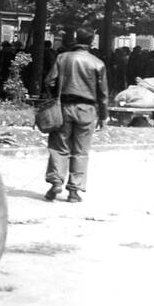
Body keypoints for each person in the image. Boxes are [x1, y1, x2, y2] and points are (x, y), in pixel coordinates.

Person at [43, 27, 109, 203]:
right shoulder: (98, 63)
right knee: (81, 151)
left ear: (76, 38)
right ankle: (74, 191)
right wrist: (103, 116)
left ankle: (56, 182)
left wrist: (55, 95)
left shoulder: (62, 58)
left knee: (59, 147)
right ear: (92, 41)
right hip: (87, 110)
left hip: (64, 107)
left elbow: (49, 81)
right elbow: (103, 94)